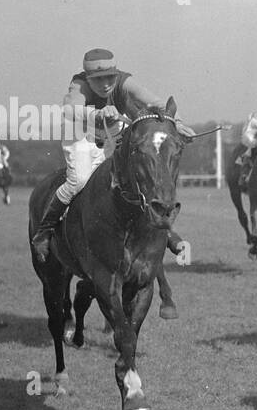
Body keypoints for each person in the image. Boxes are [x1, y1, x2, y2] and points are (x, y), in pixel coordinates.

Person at [32, 48, 194, 261]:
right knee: (79, 180)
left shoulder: (125, 83)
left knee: (135, 176)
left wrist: (178, 123)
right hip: (80, 131)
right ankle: (45, 230)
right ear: (88, 79)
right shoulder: (78, 85)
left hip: (111, 129)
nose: (106, 84)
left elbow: (157, 103)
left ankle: (164, 229)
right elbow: (70, 110)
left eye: (110, 77)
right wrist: (97, 113)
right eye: (98, 80)